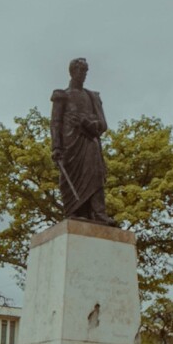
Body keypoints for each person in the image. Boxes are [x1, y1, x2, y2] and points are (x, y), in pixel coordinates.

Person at [50, 57, 117, 226]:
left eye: (86, 71)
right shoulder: (62, 95)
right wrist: (56, 146)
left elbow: (103, 125)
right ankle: (75, 210)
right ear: (72, 71)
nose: (84, 74)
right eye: (81, 70)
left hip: (90, 141)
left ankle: (98, 212)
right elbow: (55, 122)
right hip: (69, 144)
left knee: (95, 174)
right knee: (71, 177)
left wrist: (87, 123)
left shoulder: (93, 96)